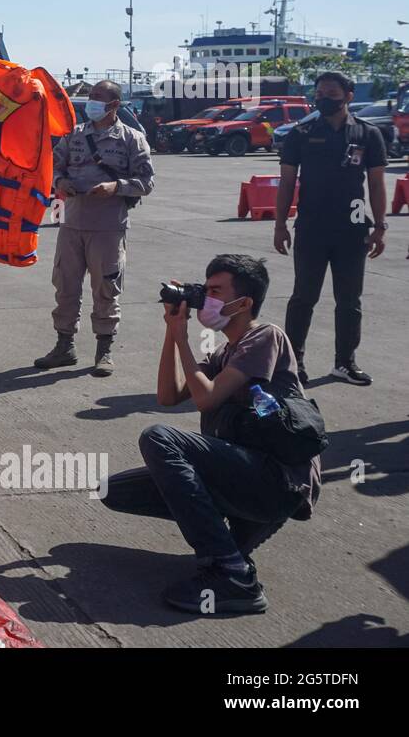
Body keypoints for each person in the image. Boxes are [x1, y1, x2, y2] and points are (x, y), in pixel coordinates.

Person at [100, 255, 321, 615]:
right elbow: (168, 395)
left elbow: (205, 400)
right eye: (205, 290)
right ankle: (233, 533)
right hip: (245, 470)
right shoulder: (224, 352)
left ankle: (233, 574)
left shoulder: (264, 337)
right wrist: (173, 333)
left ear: (244, 303)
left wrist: (185, 340)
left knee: (159, 437)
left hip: (278, 480)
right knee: (112, 490)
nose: (207, 298)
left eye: (215, 291)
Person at [35, 80, 154, 376]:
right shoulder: (74, 135)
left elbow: (146, 182)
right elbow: (54, 167)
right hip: (72, 224)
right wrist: (60, 182)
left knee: (105, 289)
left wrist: (116, 187)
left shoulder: (132, 139)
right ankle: (65, 346)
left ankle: (104, 349)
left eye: (99, 98)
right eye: (91, 97)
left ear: (114, 105)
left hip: (108, 227)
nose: (92, 102)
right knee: (65, 286)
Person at [275, 70, 387, 386]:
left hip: (352, 231)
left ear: (348, 95)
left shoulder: (368, 134)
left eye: (332, 93)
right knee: (303, 297)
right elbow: (286, 182)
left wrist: (380, 226)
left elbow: (377, 184)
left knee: (350, 300)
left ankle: (344, 362)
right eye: (320, 93)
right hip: (311, 228)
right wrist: (280, 224)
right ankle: (293, 364)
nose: (324, 98)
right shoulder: (301, 132)